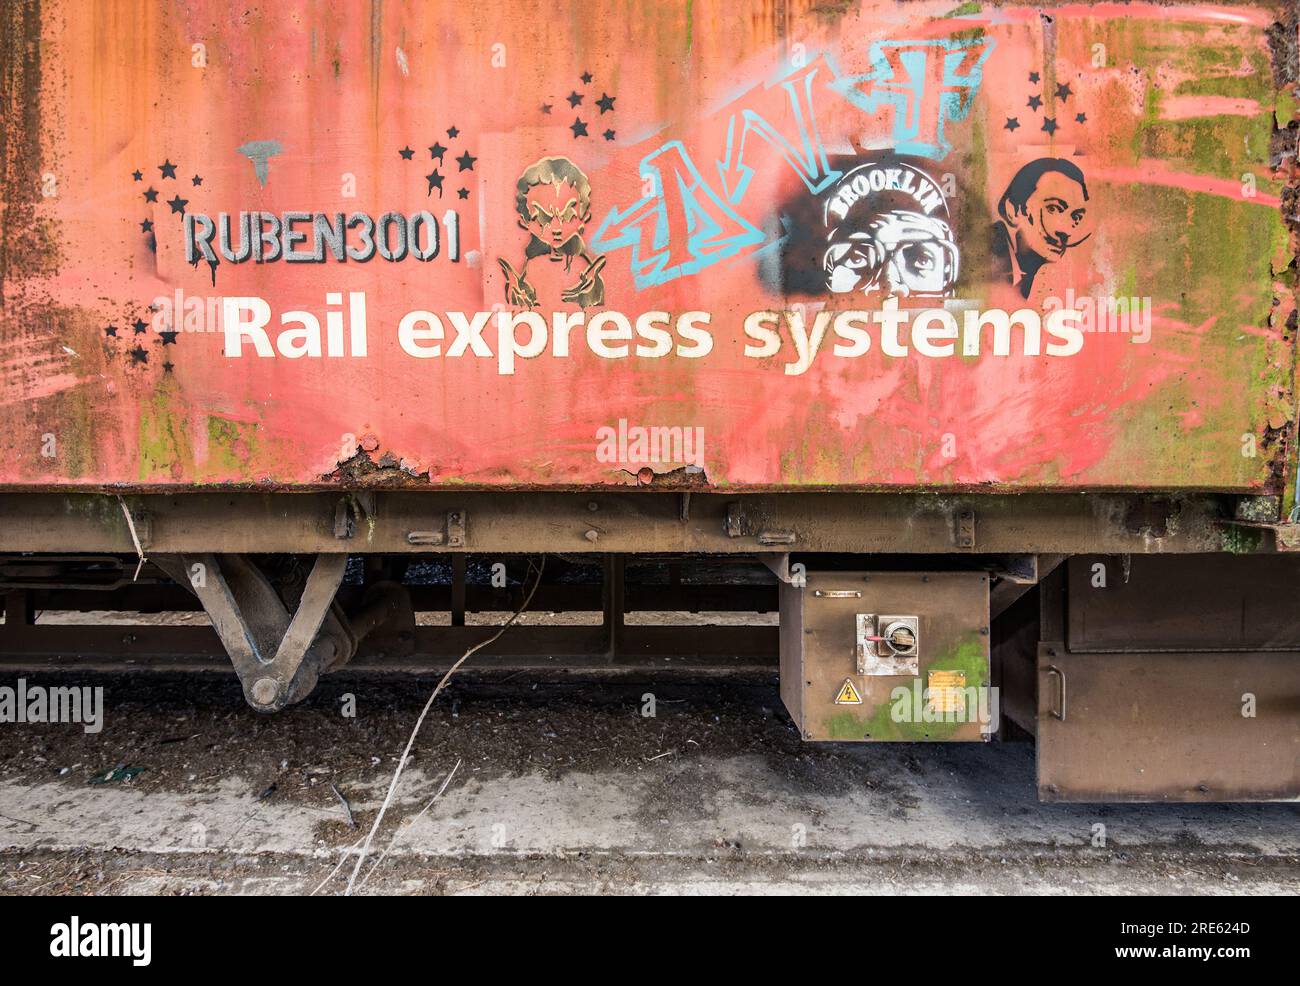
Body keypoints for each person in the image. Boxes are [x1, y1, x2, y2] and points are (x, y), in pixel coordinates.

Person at [499, 156, 606, 309]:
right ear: (525, 221)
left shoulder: (583, 269)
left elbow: (594, 302)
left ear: (583, 218)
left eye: (567, 215)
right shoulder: (534, 266)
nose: (556, 227)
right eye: (543, 217)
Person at [992, 158, 1090, 298]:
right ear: (1013, 210)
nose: (1066, 231)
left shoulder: (1025, 275)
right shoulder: (986, 268)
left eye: (1076, 217)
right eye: (1053, 208)